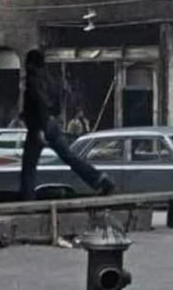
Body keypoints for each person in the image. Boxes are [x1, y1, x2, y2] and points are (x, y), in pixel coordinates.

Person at [19, 49, 114, 200]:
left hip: (38, 126)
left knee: (29, 165)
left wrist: (38, 127)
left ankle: (27, 197)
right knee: (70, 157)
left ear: (30, 63)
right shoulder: (49, 79)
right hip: (52, 124)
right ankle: (101, 180)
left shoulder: (33, 80)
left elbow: (39, 102)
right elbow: (54, 102)